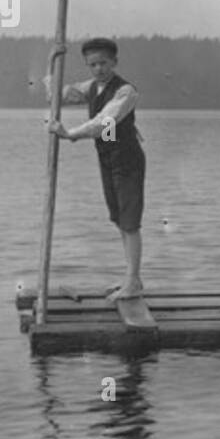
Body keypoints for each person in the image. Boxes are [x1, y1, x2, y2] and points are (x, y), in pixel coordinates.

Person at [45, 37, 145, 301]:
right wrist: (52, 60)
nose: (99, 69)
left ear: (115, 62)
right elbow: (55, 93)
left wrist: (69, 134)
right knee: (119, 220)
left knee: (130, 223)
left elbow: (104, 123)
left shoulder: (125, 92)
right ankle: (130, 278)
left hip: (127, 161)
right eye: (93, 65)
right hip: (108, 159)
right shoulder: (91, 87)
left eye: (103, 63)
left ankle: (133, 281)